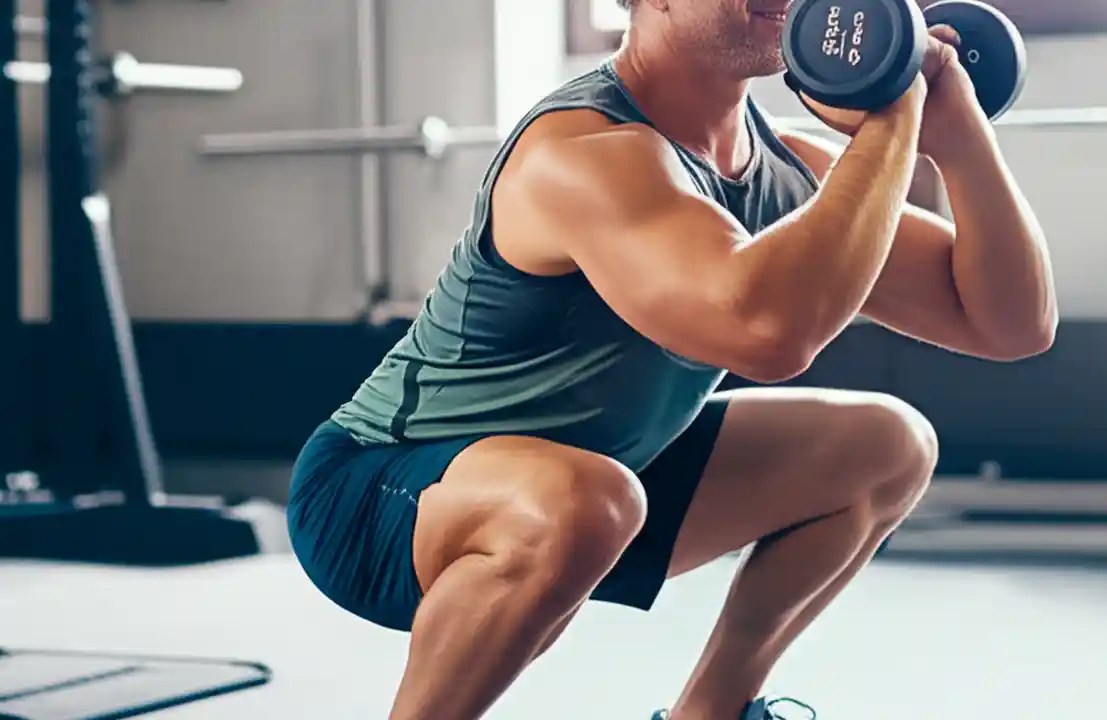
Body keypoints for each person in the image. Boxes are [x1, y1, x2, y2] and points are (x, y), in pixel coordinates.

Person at [286, 1, 1058, 718]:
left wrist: (955, 132)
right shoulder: (583, 151)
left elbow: (1009, 324)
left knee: (887, 447)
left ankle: (711, 714)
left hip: (608, 475)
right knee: (588, 500)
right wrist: (892, 120)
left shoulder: (784, 165)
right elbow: (768, 335)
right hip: (381, 491)